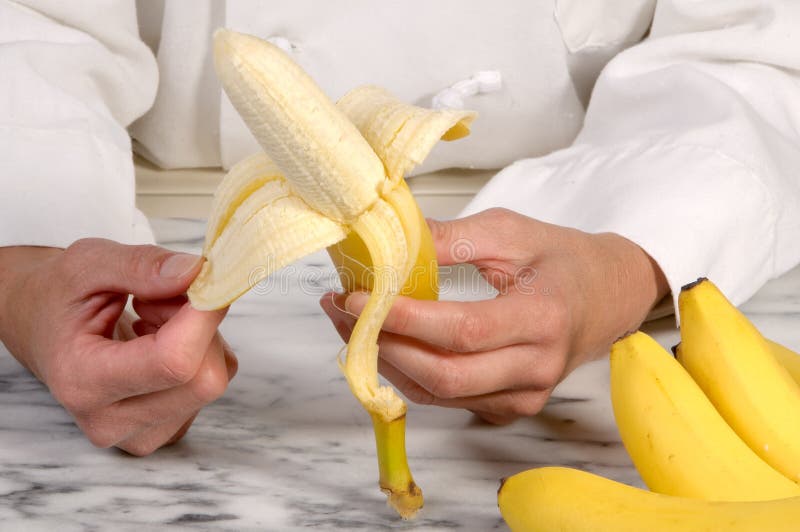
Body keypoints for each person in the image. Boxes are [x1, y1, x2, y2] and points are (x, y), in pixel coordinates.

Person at [2, 0, 799, 451]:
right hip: (140, 207)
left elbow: (760, 53)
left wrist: (629, 258)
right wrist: (26, 260)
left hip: (637, 216)